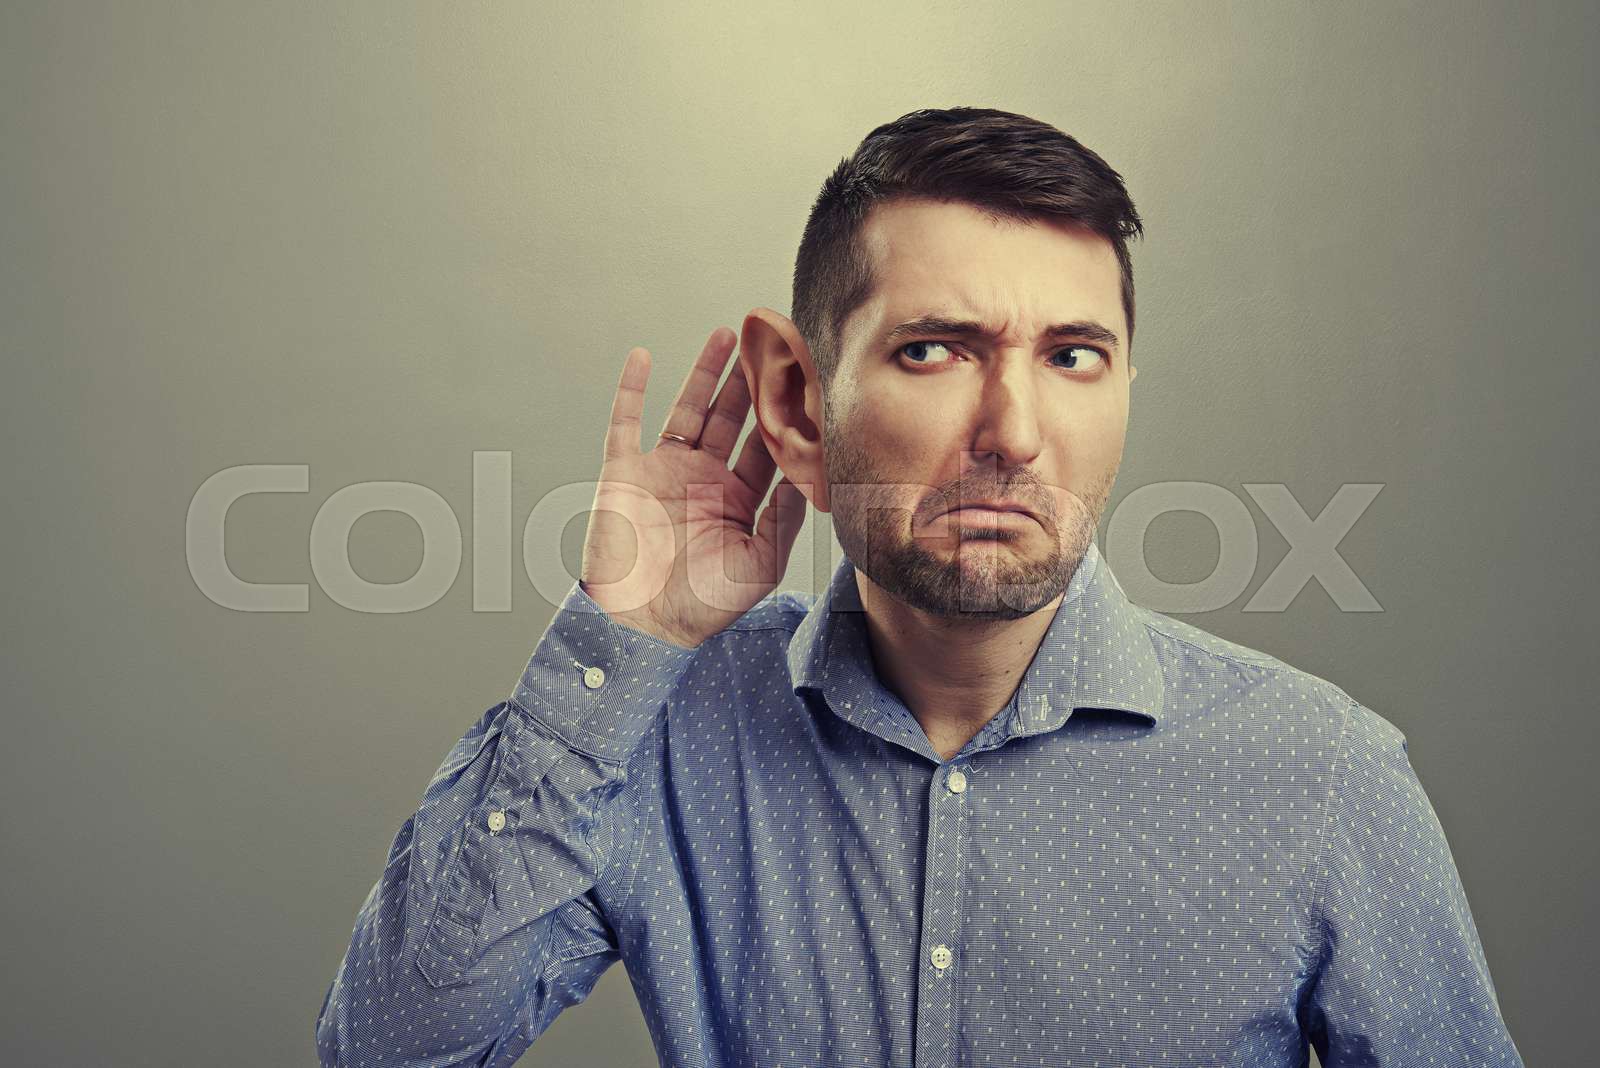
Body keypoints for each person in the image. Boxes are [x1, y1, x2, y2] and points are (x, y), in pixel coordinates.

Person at [315, 107, 1522, 1067]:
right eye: (934, 349)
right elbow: (390, 1054)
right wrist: (620, 643)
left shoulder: (1320, 781)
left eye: (1072, 357)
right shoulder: (660, 731)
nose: (1015, 431)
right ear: (796, 400)